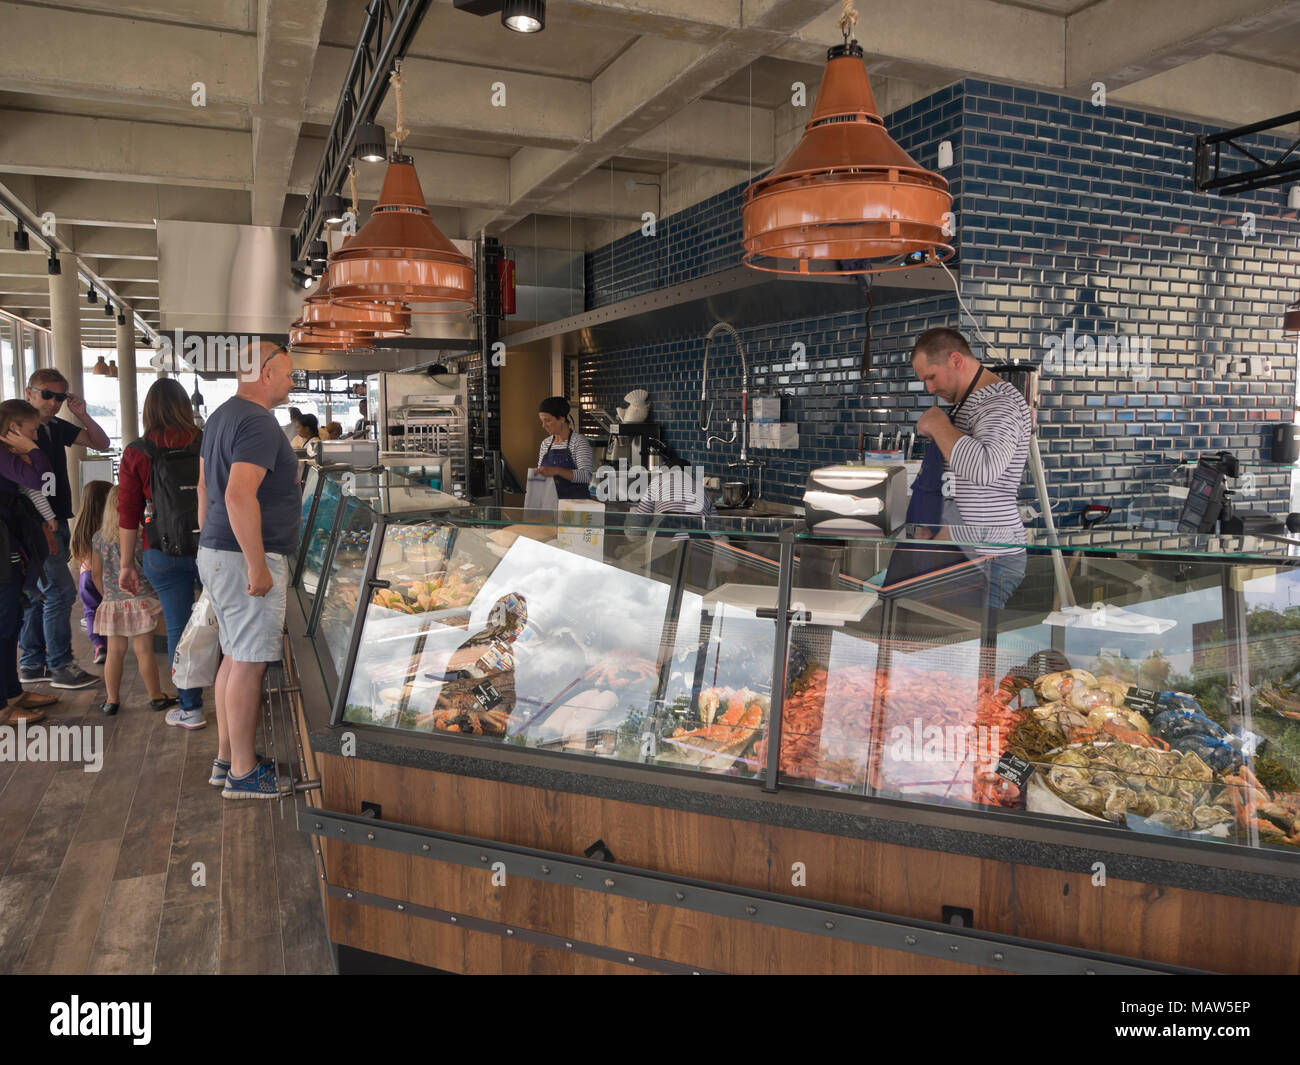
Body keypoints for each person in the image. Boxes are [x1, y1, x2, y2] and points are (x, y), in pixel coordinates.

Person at [198, 340, 298, 799]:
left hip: (219, 550)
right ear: (265, 372)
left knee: (234, 657)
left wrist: (213, 543)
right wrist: (256, 565)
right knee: (249, 664)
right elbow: (239, 495)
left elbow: (205, 488)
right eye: (288, 371)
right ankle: (243, 772)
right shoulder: (257, 421)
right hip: (243, 557)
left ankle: (227, 759)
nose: (293, 378)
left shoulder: (221, 415)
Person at [909, 327, 1032, 609]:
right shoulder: (968, 403)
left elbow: (985, 469)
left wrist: (939, 425)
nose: (929, 388)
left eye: (931, 377)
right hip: (966, 553)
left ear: (955, 360)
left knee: (968, 647)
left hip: (991, 559)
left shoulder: (999, 404)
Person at [118, 378, 205, 729]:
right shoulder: (206, 441)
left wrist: (126, 564)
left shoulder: (137, 451)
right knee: (228, 622)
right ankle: (238, 694)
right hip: (211, 547)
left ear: (148, 410)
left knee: (178, 628)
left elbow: (128, 513)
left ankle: (191, 707)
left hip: (161, 552)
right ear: (186, 406)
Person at [19, 368, 109, 689]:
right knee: (60, 592)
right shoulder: (16, 431)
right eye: (47, 395)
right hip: (35, 524)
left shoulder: (56, 428)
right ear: (29, 393)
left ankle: (31, 663)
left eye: (59, 397)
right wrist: (40, 523)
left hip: (55, 518)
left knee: (38, 595)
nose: (53, 403)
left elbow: (101, 442)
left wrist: (82, 414)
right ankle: (60, 665)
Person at [91, 485, 175, 717]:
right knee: (144, 650)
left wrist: (107, 596)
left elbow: (96, 574)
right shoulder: (141, 536)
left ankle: (112, 700)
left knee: (115, 652)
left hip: (112, 602)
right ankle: (156, 696)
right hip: (141, 600)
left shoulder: (99, 538)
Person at [0, 400, 58, 725]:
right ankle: (3, 707)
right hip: (3, 554)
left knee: (9, 628)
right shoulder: (4, 456)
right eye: (32, 429)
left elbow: (41, 487)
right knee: (3, 628)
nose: (36, 434)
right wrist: (34, 449)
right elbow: (43, 481)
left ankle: (12, 693)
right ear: (13, 429)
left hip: (10, 550)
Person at [71, 480, 113, 666]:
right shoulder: (108, 526)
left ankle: (99, 646)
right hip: (107, 575)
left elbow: (77, 552)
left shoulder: (81, 525)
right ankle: (112, 645)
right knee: (109, 609)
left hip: (86, 576)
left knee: (91, 612)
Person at [536, 397, 593, 501]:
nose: (543, 426)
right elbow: (542, 475)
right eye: (542, 421)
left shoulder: (578, 441)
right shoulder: (545, 443)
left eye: (548, 420)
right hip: (552, 505)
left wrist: (557, 470)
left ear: (561, 418)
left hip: (576, 508)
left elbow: (586, 476)